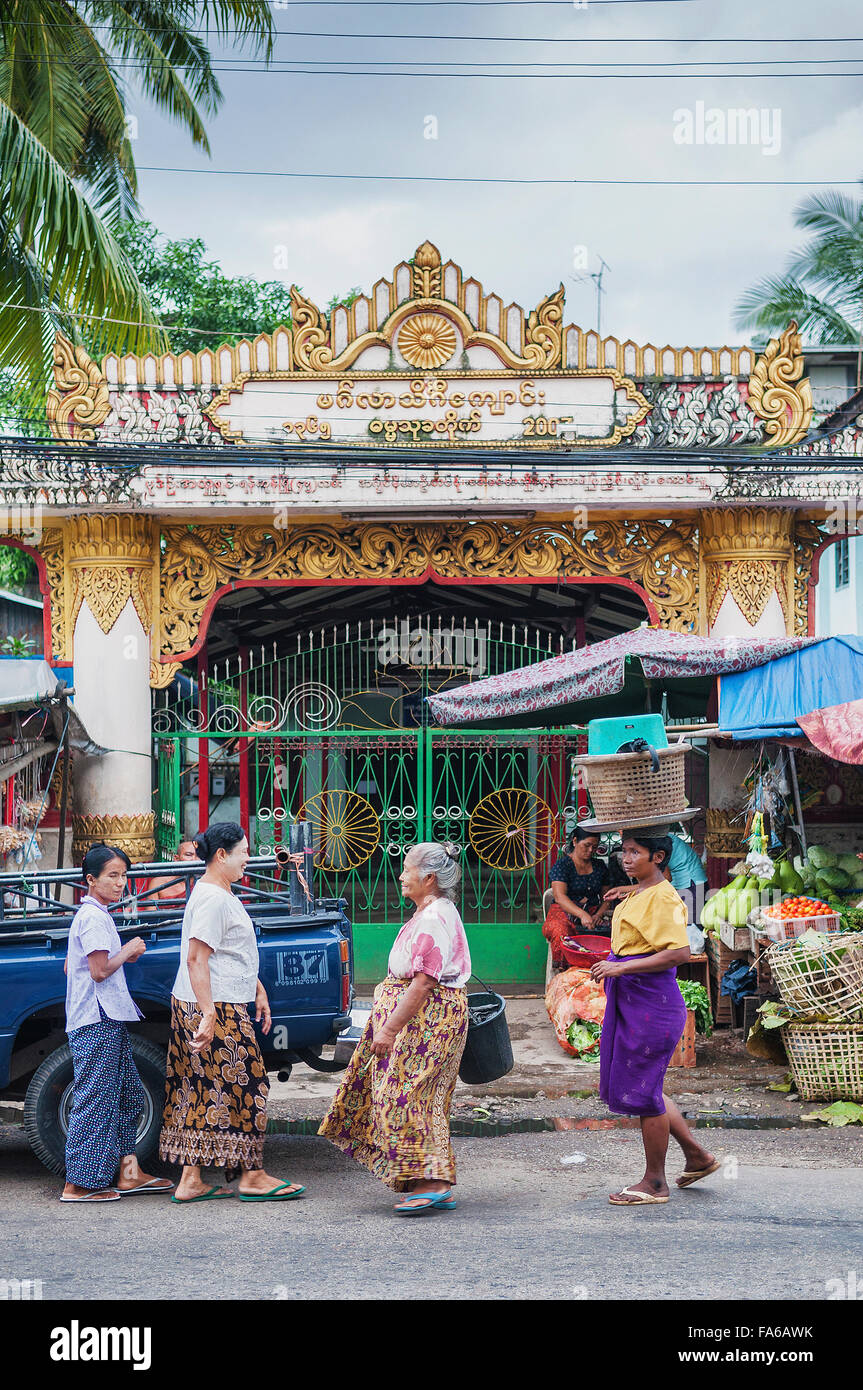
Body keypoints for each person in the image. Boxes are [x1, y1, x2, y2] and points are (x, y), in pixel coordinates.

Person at [319, 841, 471, 1216]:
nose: (401, 876)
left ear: (430, 878)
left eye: (407, 869)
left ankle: (431, 1181)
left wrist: (387, 1030)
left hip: (428, 1021)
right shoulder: (430, 912)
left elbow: (423, 983)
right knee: (419, 1096)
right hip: (421, 1021)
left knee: (403, 1095)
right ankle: (434, 1178)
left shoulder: (435, 916)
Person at [158, 821, 304, 1203]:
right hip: (214, 1006)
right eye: (242, 852)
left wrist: (256, 989)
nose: (248, 859)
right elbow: (196, 959)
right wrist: (209, 1014)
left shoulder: (217, 892)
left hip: (212, 1001)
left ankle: (191, 1180)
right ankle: (252, 1176)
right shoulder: (213, 898)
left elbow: (228, 953)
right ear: (221, 855)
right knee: (248, 1086)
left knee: (204, 1091)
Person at [590, 830, 719, 1206]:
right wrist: (629, 893)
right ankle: (697, 1156)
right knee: (651, 1086)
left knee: (647, 1094)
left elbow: (678, 953)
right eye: (624, 852)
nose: (625, 859)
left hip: (651, 1005)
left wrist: (620, 970)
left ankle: (655, 1183)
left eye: (635, 852)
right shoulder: (644, 891)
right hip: (638, 1002)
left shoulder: (661, 897)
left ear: (658, 856)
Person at [61, 844, 174, 1203]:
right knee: (95, 1101)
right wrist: (128, 951)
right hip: (96, 1020)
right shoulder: (94, 917)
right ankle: (78, 1185)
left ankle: (129, 1173)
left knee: (126, 1097)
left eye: (123, 875)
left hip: (105, 1018)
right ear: (91, 880)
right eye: (112, 875)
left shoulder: (94, 915)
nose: (120, 882)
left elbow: (71, 967)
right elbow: (97, 971)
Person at [543, 827, 610, 968]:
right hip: (563, 911)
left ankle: (601, 969)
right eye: (587, 845)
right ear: (574, 841)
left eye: (595, 847)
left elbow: (607, 897)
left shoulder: (599, 866)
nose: (591, 850)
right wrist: (582, 914)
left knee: (610, 932)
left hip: (593, 913)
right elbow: (559, 897)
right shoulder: (562, 865)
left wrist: (598, 914)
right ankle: (564, 970)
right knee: (560, 930)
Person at [666, 831, 708, 924]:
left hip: (691, 882)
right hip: (683, 883)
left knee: (694, 926)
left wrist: (625, 889)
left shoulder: (656, 841)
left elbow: (665, 879)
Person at [142, 840, 200, 905]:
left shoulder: (204, 882)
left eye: (198, 856)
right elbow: (151, 912)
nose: (194, 859)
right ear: (176, 859)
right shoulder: (158, 883)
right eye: (189, 855)